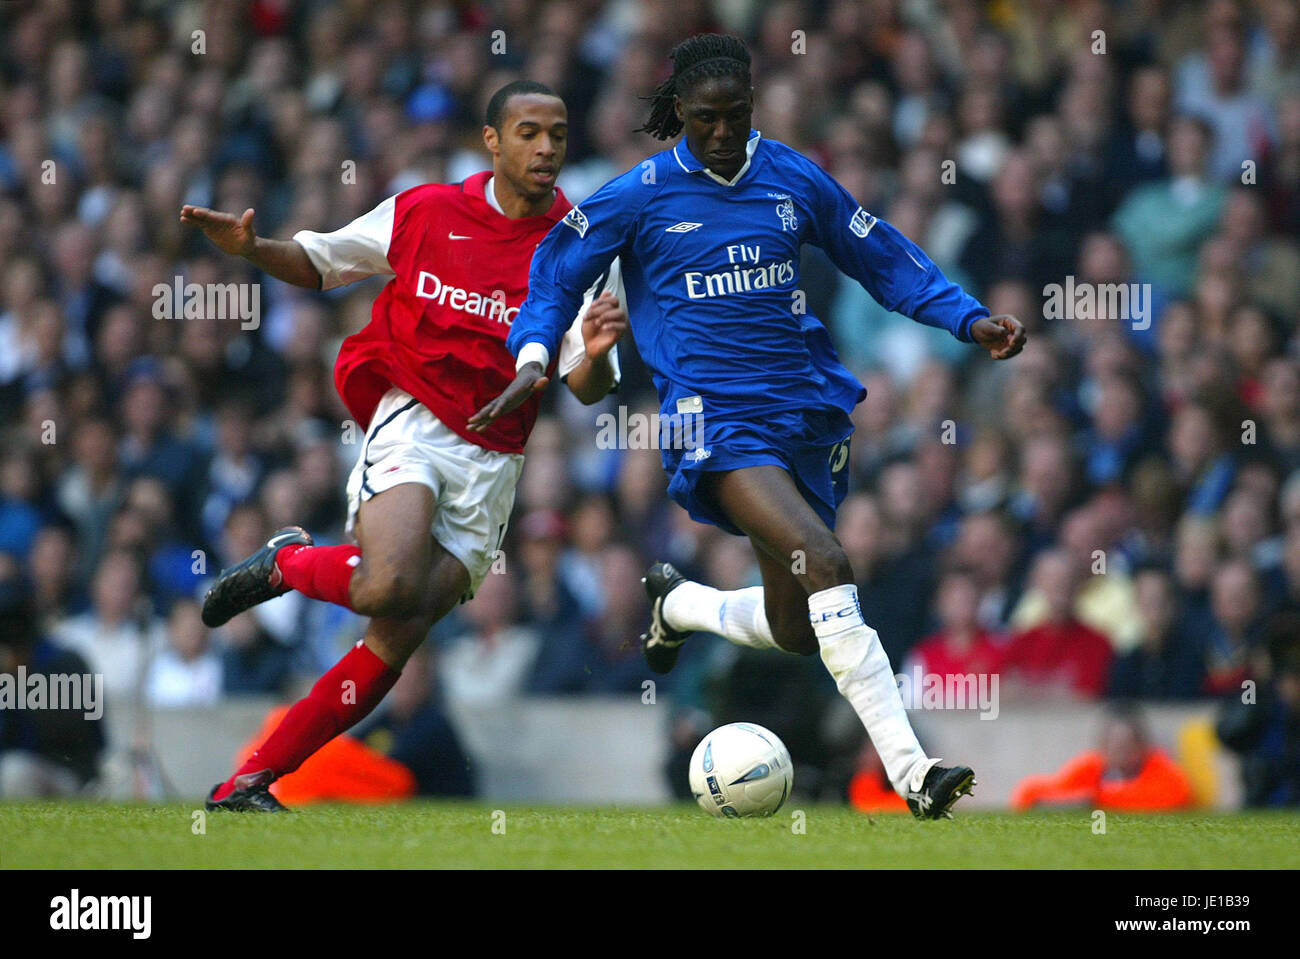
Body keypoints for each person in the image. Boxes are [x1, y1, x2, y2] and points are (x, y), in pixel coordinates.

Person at [474, 35, 1027, 819]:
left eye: (736, 115)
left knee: (798, 627)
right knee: (828, 560)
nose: (723, 131)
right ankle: (915, 773)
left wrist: (967, 318)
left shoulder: (792, 175)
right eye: (706, 118)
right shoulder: (639, 194)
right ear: (679, 114)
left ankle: (682, 606)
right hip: (713, 423)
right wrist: (533, 355)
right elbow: (555, 275)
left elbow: (880, 255)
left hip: (800, 412)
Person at [183, 81, 627, 811]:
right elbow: (323, 262)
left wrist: (602, 355)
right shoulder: (427, 210)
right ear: (492, 141)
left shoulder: (581, 245)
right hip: (414, 419)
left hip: (494, 459)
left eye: (557, 133)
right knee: (387, 583)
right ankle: (287, 563)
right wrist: (253, 248)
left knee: (397, 632)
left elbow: (585, 384)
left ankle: (246, 781)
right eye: (528, 132)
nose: (546, 147)